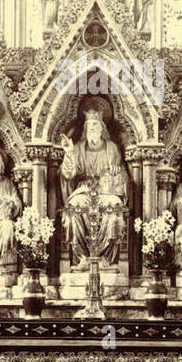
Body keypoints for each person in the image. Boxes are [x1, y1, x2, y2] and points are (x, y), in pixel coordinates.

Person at [58, 106, 127, 270]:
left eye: (96, 125)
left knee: (115, 207)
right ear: (85, 129)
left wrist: (118, 174)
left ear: (102, 129)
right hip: (84, 189)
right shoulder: (78, 148)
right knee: (75, 207)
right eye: (89, 126)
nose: (92, 129)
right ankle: (81, 258)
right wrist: (68, 153)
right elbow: (68, 174)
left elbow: (122, 174)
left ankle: (107, 259)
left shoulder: (112, 148)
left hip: (106, 190)